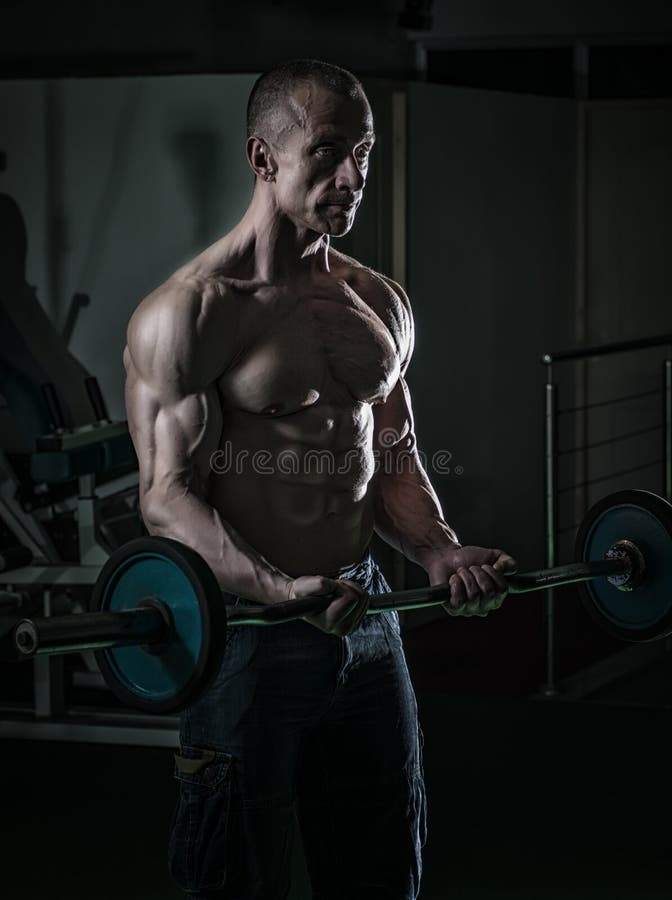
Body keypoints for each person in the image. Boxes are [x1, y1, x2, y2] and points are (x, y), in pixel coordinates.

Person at [124, 59, 516, 900]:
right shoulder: (191, 313)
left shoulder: (380, 300)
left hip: (369, 622)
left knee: (382, 869)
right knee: (235, 876)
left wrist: (437, 552)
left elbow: (396, 452)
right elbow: (167, 495)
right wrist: (275, 587)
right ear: (264, 159)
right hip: (248, 638)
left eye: (365, 154)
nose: (354, 177)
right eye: (329, 152)